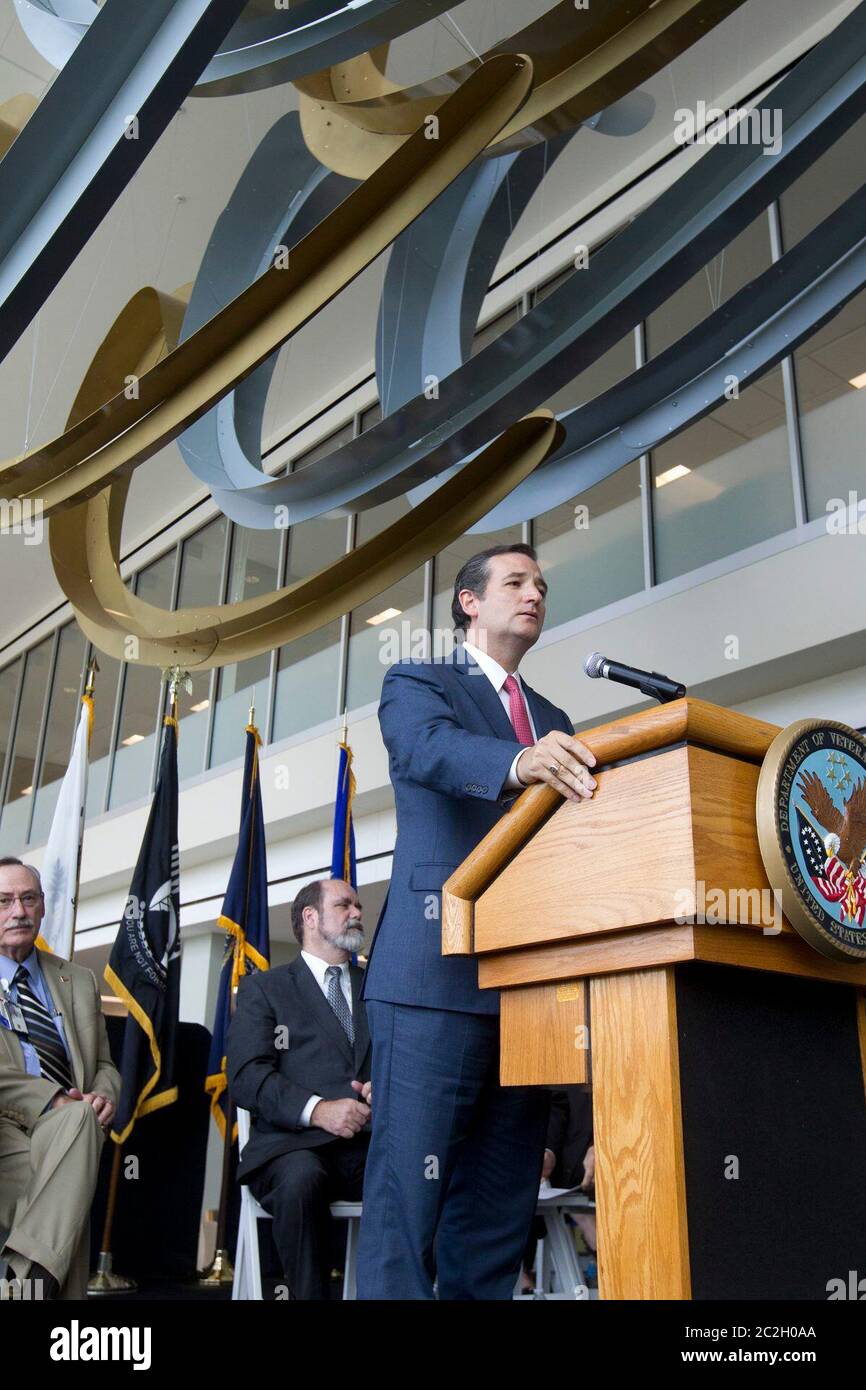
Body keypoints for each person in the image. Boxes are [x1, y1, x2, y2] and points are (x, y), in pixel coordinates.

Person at [357, 543, 598, 1300]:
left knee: (498, 1210)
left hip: (527, 993)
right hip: (433, 979)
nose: (535, 595)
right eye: (517, 582)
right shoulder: (418, 681)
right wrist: (520, 763)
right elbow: (428, 751)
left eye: (542, 587)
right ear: (469, 601)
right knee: (408, 1204)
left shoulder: (554, 715)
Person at [227, 878, 371, 1299]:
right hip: (292, 1147)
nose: (357, 912)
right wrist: (318, 1109)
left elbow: (399, 1058)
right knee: (301, 1179)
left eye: (358, 905)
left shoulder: (378, 986)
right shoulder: (265, 989)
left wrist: (390, 1087)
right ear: (310, 917)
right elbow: (248, 1077)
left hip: (369, 1144)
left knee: (425, 1173)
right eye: (345, 905)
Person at [0, 856, 119, 1300]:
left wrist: (104, 1095)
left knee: (82, 1124)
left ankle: (25, 1283)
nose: (18, 911)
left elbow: (104, 1064)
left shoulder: (79, 979)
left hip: (72, 1126)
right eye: (5, 900)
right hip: (6, 1127)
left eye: (29, 899)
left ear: (43, 907)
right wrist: (53, 1100)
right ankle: (38, 1283)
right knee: (71, 1176)